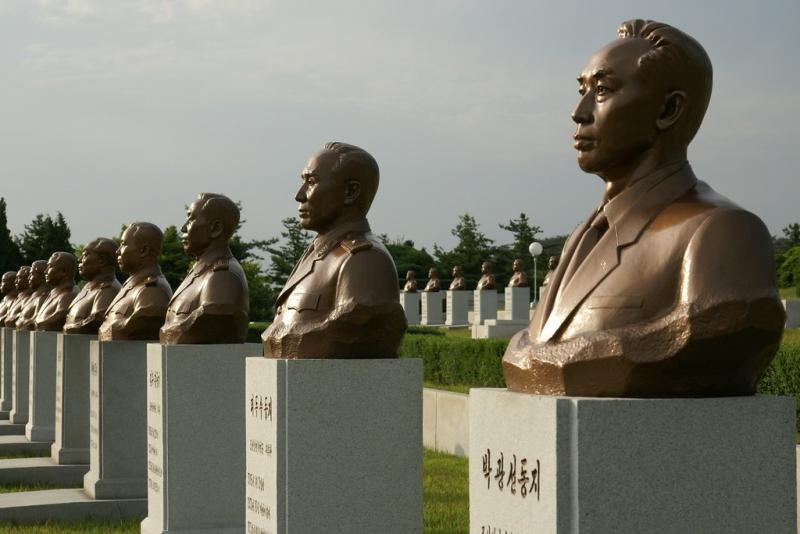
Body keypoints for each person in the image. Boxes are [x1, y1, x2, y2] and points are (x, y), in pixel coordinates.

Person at [503, 19, 784, 397]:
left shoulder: (723, 232)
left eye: (602, 90)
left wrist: (544, 359)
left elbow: (717, 332)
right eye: (582, 89)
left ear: (668, 110)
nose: (579, 111)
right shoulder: (582, 238)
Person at [263, 142, 406, 359]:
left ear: (350, 192)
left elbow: (361, 328)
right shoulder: (317, 254)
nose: (299, 195)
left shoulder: (365, 261)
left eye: (311, 182)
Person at [160, 193, 249, 344]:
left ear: (215, 228)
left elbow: (214, 317)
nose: (183, 228)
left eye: (191, 219)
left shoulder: (223, 276)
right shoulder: (200, 272)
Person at [98, 223, 173, 341]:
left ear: (143, 250)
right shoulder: (132, 287)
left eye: (123, 244)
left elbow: (144, 317)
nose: (117, 252)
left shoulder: (153, 291)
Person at [64, 238, 123, 335]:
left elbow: (96, 320)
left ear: (102, 260)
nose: (79, 259)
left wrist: (71, 327)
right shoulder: (88, 287)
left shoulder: (109, 290)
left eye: (85, 255)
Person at [34, 252, 79, 331]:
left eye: (50, 266)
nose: (46, 271)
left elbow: (55, 319)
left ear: (63, 272)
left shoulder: (69, 295)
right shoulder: (53, 294)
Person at [16, 260, 51, 330]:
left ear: (42, 277)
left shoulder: (43, 298)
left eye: (32, 274)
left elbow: (35, 321)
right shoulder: (33, 298)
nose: (29, 278)